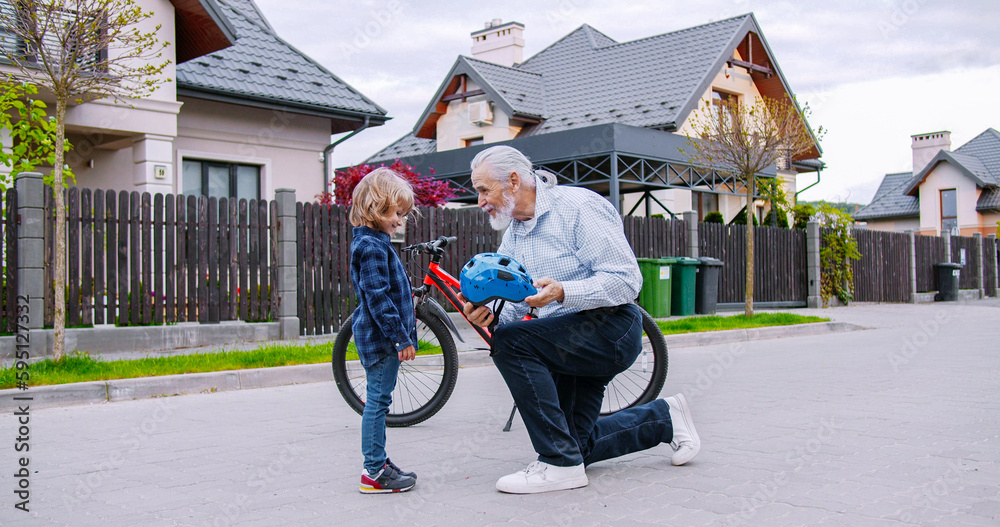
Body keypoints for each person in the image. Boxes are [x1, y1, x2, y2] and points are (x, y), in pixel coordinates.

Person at [460, 145, 701, 494]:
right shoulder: (514, 235)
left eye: (484, 190)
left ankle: (559, 464)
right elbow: (514, 305)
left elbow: (627, 281)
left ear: (513, 181)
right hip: (565, 342)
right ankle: (665, 418)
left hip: (610, 328)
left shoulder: (578, 208)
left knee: (511, 342)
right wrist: (487, 314)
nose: (480, 201)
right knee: (576, 444)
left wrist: (563, 292)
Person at [348, 168, 420, 494]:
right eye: (396, 213)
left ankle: (379, 461)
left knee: (380, 400)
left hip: (382, 338)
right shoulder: (371, 247)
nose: (400, 221)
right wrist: (400, 338)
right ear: (376, 207)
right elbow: (378, 298)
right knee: (377, 403)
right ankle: (374, 471)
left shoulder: (376, 242)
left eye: (403, 214)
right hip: (382, 340)